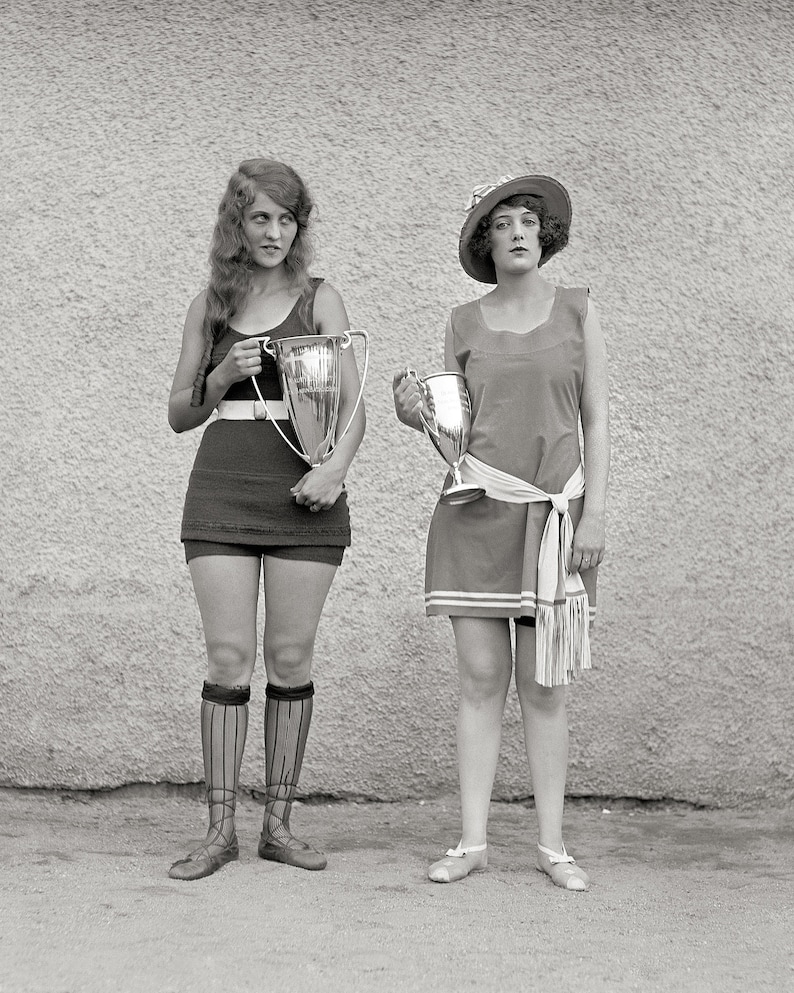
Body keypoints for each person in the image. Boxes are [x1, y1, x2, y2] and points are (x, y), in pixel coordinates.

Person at [393, 174, 609, 890]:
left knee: (545, 684)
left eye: (526, 221)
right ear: (485, 243)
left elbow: (596, 420)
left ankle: (553, 846)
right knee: (482, 678)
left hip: (556, 519)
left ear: (544, 235)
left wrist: (597, 512)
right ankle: (473, 840)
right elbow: (457, 443)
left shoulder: (578, 311)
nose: (516, 232)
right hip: (476, 518)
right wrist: (418, 414)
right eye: (500, 224)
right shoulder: (462, 322)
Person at [167, 157, 365, 880]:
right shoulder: (209, 304)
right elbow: (178, 415)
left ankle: (277, 825)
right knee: (227, 658)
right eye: (260, 217)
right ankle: (219, 829)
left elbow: (352, 404)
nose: (275, 230)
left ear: (298, 226)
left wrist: (334, 470)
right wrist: (220, 376)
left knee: (289, 658)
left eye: (287, 218)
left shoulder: (320, 299)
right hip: (220, 489)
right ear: (237, 224)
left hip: (304, 493)